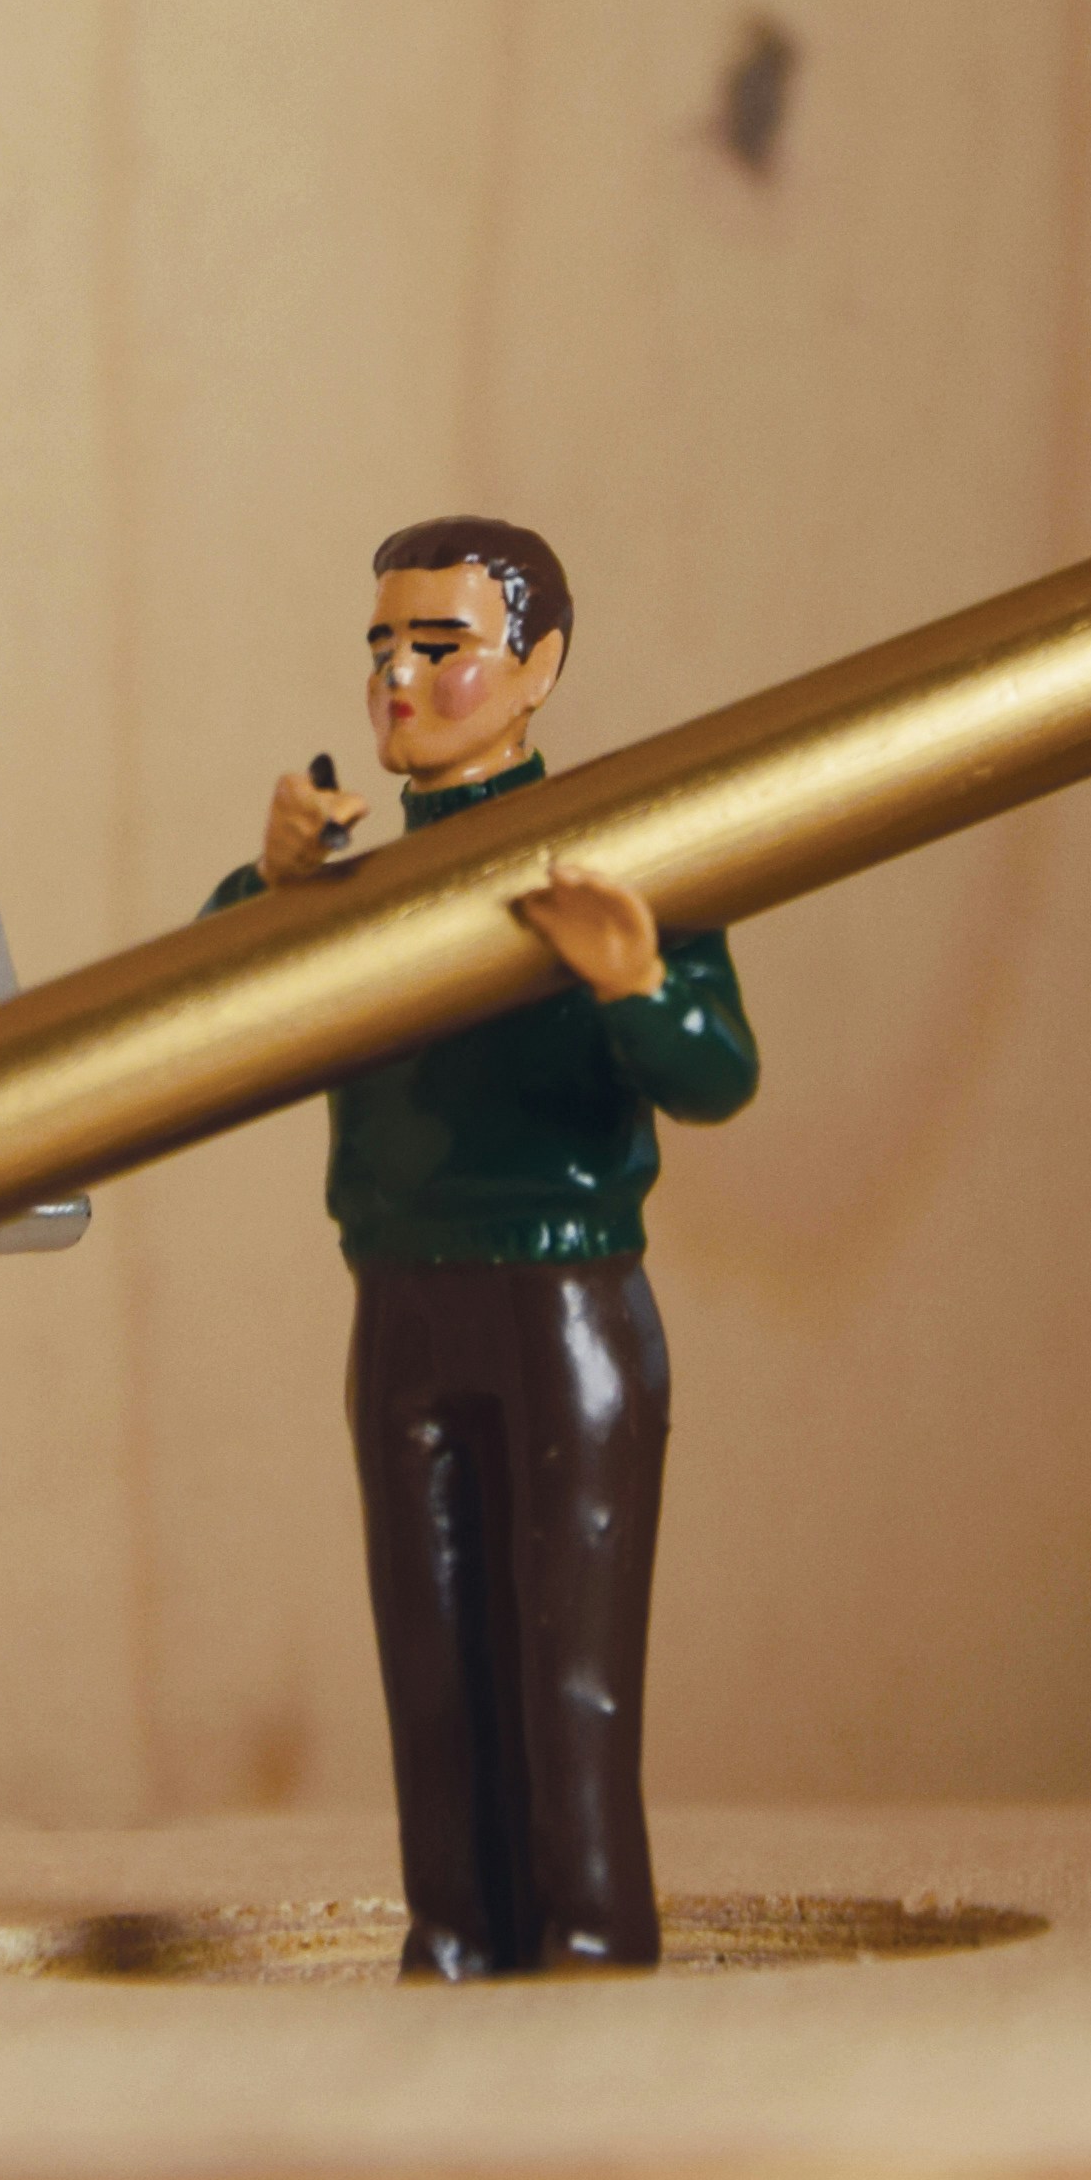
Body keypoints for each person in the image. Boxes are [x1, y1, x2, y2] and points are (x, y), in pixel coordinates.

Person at [207, 514, 758, 1977]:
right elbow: (206, 1010)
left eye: (440, 650)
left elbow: (716, 1070)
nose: (398, 679)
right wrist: (270, 891)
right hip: (398, 1298)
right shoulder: (355, 883)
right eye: (383, 648)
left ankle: (584, 1935)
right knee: (430, 1655)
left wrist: (632, 978)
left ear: (538, 670)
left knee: (564, 1665)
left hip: (564, 1301)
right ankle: (450, 1931)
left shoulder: (622, 858)